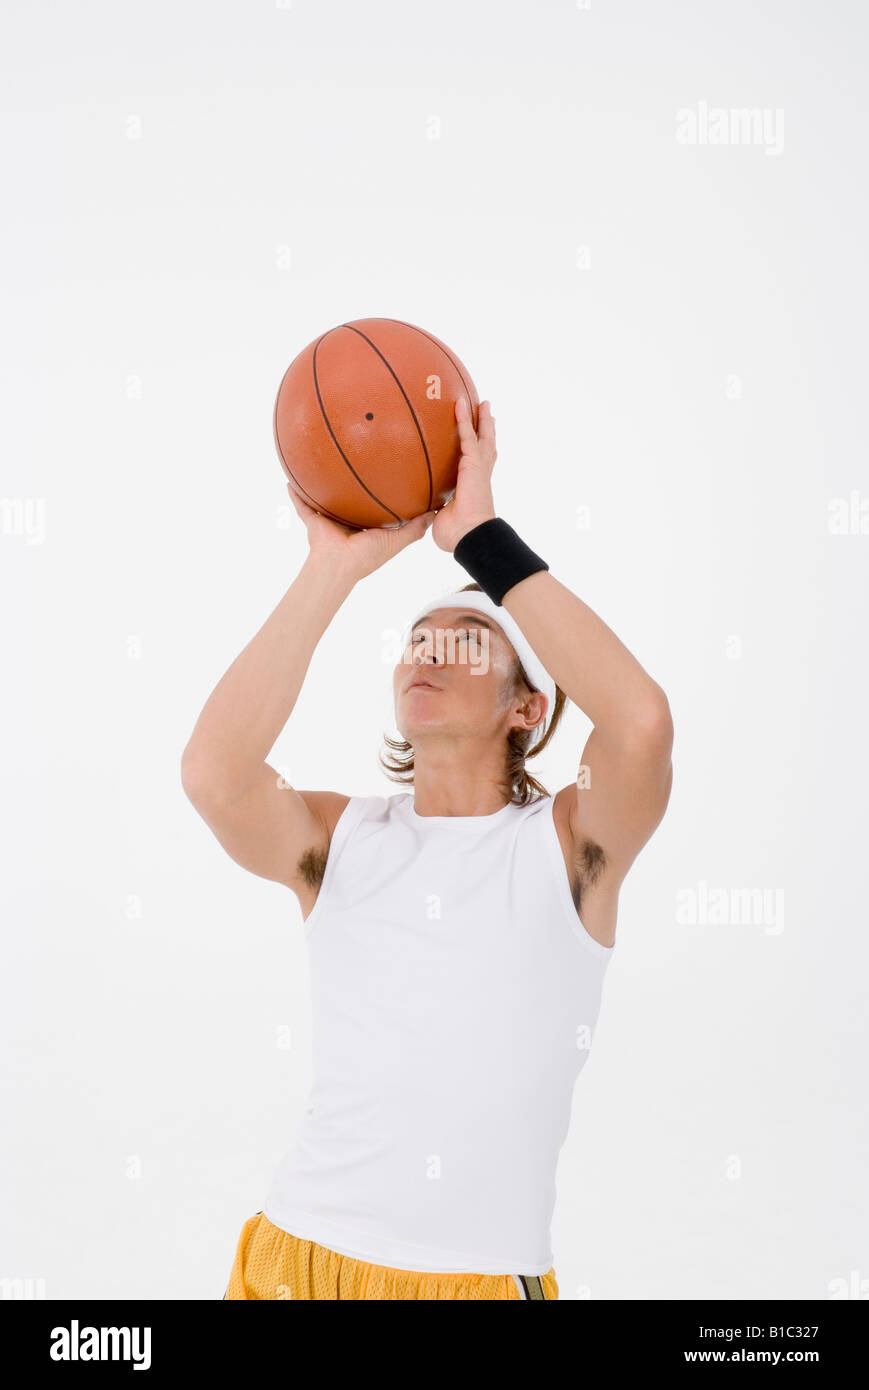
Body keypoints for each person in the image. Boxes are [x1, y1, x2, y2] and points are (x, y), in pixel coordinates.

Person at [181, 397, 674, 1300]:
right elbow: (215, 774)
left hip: (470, 1279)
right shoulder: (341, 840)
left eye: (466, 638)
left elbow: (638, 722)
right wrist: (332, 568)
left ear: (527, 708)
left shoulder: (568, 848)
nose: (428, 651)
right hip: (299, 1258)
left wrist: (480, 538)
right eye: (417, 640)